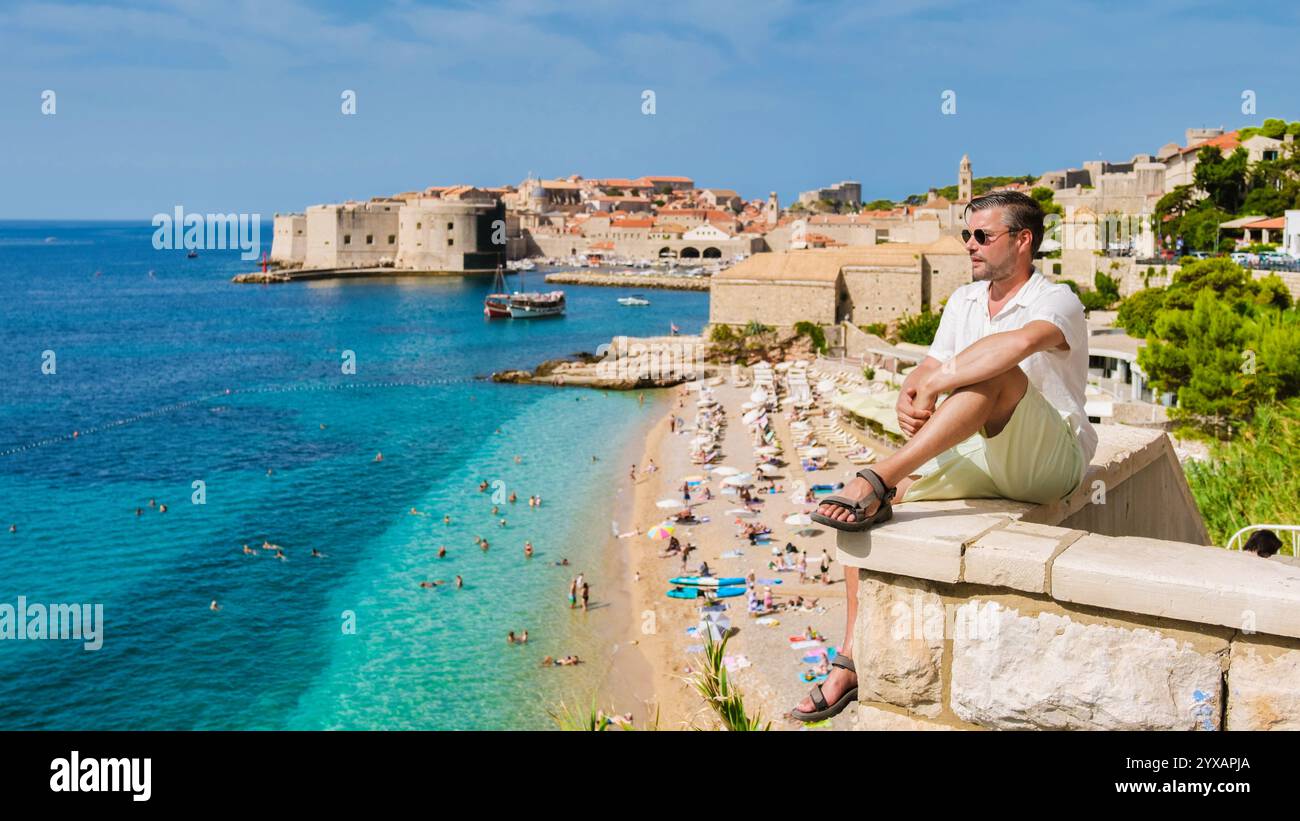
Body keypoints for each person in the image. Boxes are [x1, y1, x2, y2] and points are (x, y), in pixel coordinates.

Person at [797, 192, 1095, 723]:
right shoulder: (963, 301)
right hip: (980, 458)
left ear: (1023, 241)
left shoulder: (1058, 300)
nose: (969, 246)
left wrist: (939, 382)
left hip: (1049, 465)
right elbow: (929, 364)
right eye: (966, 235)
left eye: (982, 236)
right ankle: (849, 659)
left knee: (997, 372)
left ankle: (882, 472)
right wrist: (911, 393)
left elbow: (1014, 347)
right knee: (862, 517)